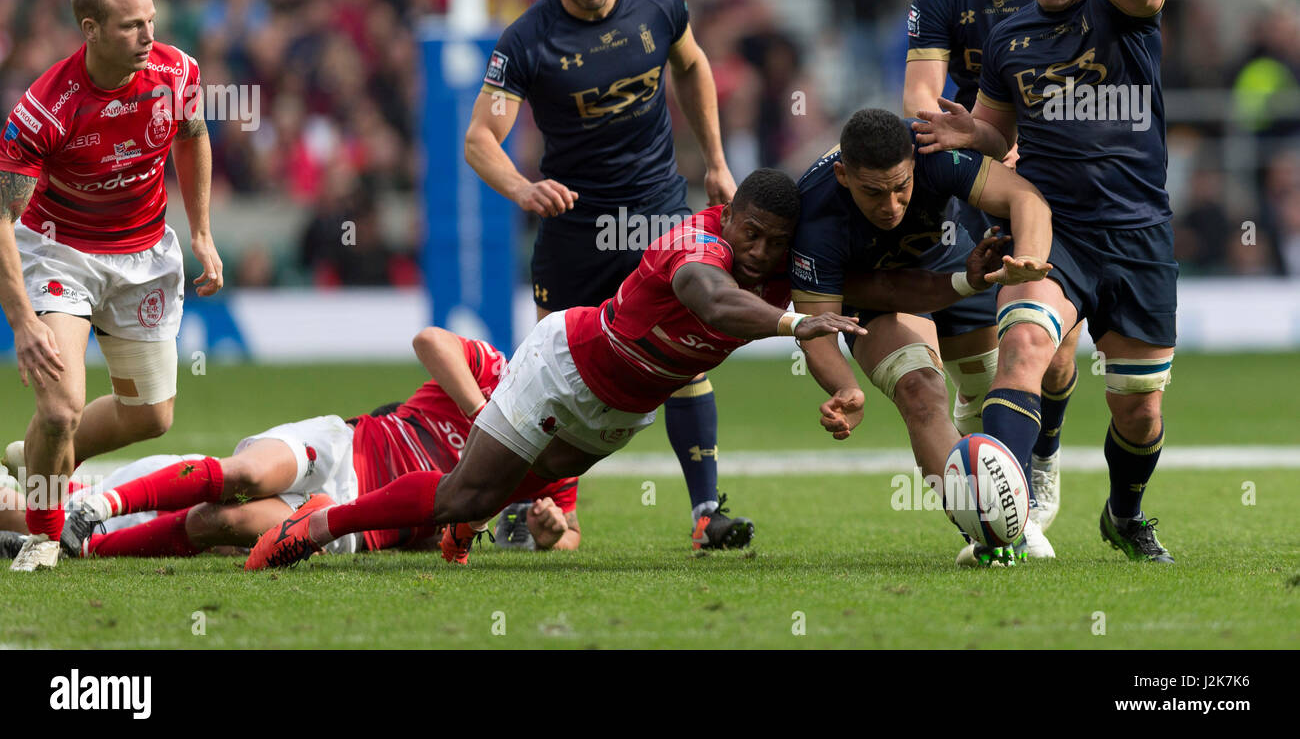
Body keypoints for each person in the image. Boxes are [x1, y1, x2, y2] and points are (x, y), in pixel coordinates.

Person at [245, 169, 1019, 571]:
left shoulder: (788, 268)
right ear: (731, 217)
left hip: (622, 409)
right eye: (749, 233)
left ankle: (463, 530)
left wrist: (964, 283)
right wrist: (792, 321)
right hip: (567, 366)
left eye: (772, 242)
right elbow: (711, 301)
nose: (758, 251)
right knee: (462, 491)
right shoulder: (696, 246)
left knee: (510, 491)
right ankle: (315, 526)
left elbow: (881, 289)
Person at [464, 0, 747, 549]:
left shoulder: (660, 5)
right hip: (574, 226)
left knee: (684, 355)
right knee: (547, 382)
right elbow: (480, 138)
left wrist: (717, 163)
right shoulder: (527, 41)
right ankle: (532, 509)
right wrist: (522, 187)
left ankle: (706, 514)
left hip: (656, 213)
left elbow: (693, 64)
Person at [916, 0, 1177, 563]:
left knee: (1138, 410)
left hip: (1138, 233)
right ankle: (1003, 528)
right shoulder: (1010, 37)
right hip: (1054, 231)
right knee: (1025, 346)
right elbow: (998, 133)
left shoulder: (1121, 11)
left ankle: (1125, 512)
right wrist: (966, 131)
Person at [0, 327, 579, 561]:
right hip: (346, 445)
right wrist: (481, 413)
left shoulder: (554, 459)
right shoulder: (494, 370)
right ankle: (91, 503)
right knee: (245, 472)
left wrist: (552, 535)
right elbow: (430, 340)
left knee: (219, 522)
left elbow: (567, 533)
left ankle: (74, 535)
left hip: (358, 524)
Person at [0, 0, 223, 572]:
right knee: (60, 406)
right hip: (61, 254)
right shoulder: (46, 108)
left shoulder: (176, 71)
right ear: (91, 30)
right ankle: (43, 534)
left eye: (152, 20)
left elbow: (193, 135)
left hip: (144, 254)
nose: (149, 35)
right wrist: (22, 323)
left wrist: (200, 230)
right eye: (132, 26)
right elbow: (1, 217)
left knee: (151, 416)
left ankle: (36, 456)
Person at [903, 0, 1080, 532]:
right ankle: (1004, 470)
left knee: (1058, 345)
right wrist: (980, 134)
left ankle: (1044, 451)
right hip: (981, 174)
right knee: (1008, 335)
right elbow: (921, 93)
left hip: (1059, 168)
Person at [791, 108, 1055, 561]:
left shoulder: (934, 154)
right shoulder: (812, 215)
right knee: (919, 392)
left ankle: (1000, 473)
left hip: (958, 262)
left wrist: (1024, 261)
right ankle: (990, 532)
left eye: (900, 188)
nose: (890, 206)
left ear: (913, 165)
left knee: (982, 386)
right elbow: (817, 330)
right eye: (873, 193)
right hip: (874, 292)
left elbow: (1026, 200)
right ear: (842, 175)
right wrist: (845, 388)